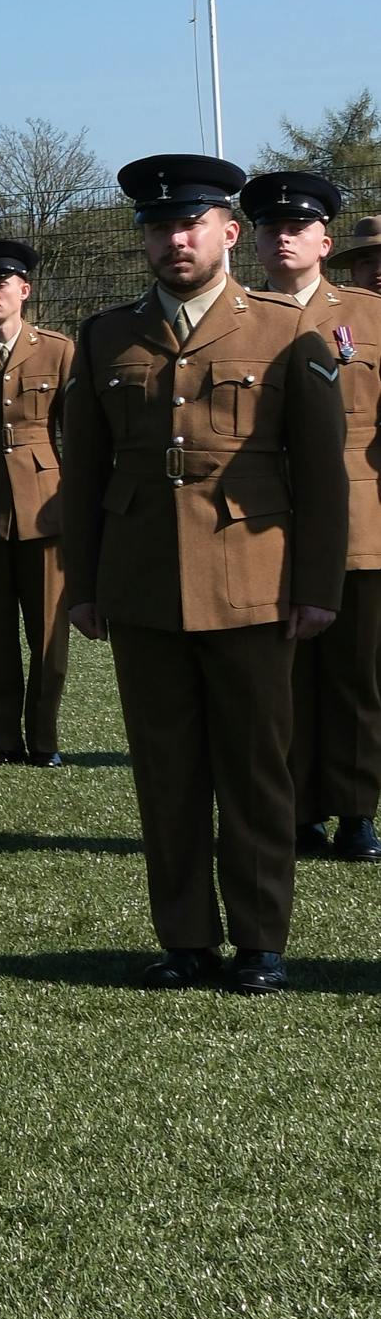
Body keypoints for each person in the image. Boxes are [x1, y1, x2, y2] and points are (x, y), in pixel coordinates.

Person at [60, 153, 345, 990]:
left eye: (189, 224)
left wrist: (318, 588)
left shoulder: (288, 331)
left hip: (254, 581)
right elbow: (86, 472)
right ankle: (186, 937)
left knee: (257, 770)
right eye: (157, 227)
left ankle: (261, 942)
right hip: (145, 585)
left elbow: (322, 477)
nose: (174, 239)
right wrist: (83, 584)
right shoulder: (107, 335)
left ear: (228, 231)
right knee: (166, 770)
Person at [239, 165, 381, 861]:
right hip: (260, 516)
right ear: (254, 245)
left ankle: (356, 810)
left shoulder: (369, 315)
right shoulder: (235, 318)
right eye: (271, 229)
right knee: (280, 678)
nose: (283, 238)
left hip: (357, 516)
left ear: (325, 241)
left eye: (297, 228)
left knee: (354, 674)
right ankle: (295, 811)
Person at [0, 236, 77, 771]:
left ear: (24, 289)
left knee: (49, 637)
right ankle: (4, 740)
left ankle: (44, 740)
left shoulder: (58, 349)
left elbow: (76, 431)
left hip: (45, 506)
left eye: (1, 284)